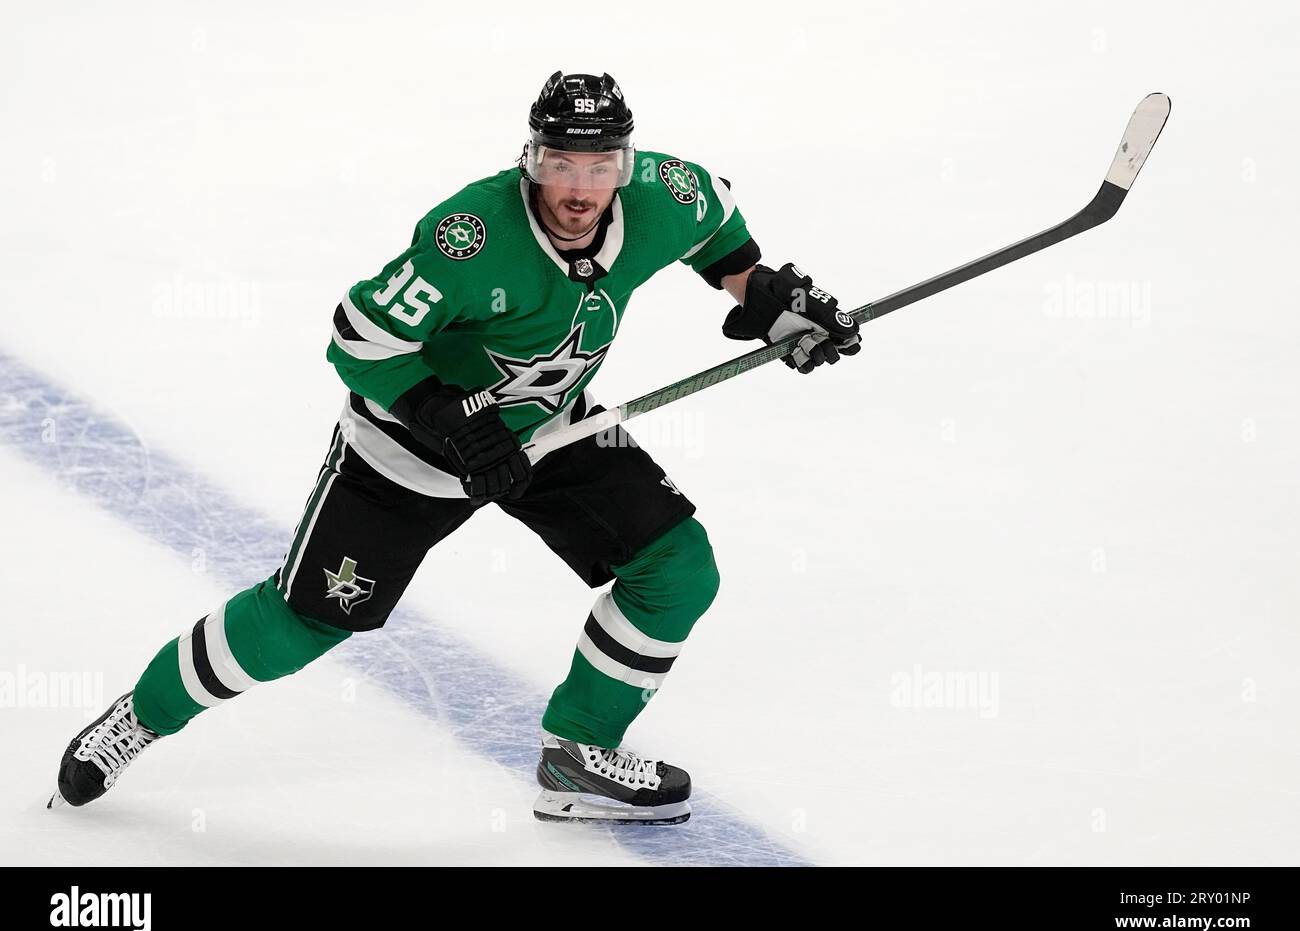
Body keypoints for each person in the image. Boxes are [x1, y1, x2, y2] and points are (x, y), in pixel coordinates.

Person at [49, 70, 860, 825]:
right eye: (560, 164)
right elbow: (358, 338)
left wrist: (768, 299)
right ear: (530, 160)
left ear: (627, 163)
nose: (579, 189)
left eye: (601, 166)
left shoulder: (665, 194)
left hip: (549, 428)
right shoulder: (467, 237)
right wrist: (445, 415)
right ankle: (139, 717)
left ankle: (578, 755)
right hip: (403, 455)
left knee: (676, 567)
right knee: (301, 624)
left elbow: (720, 231)